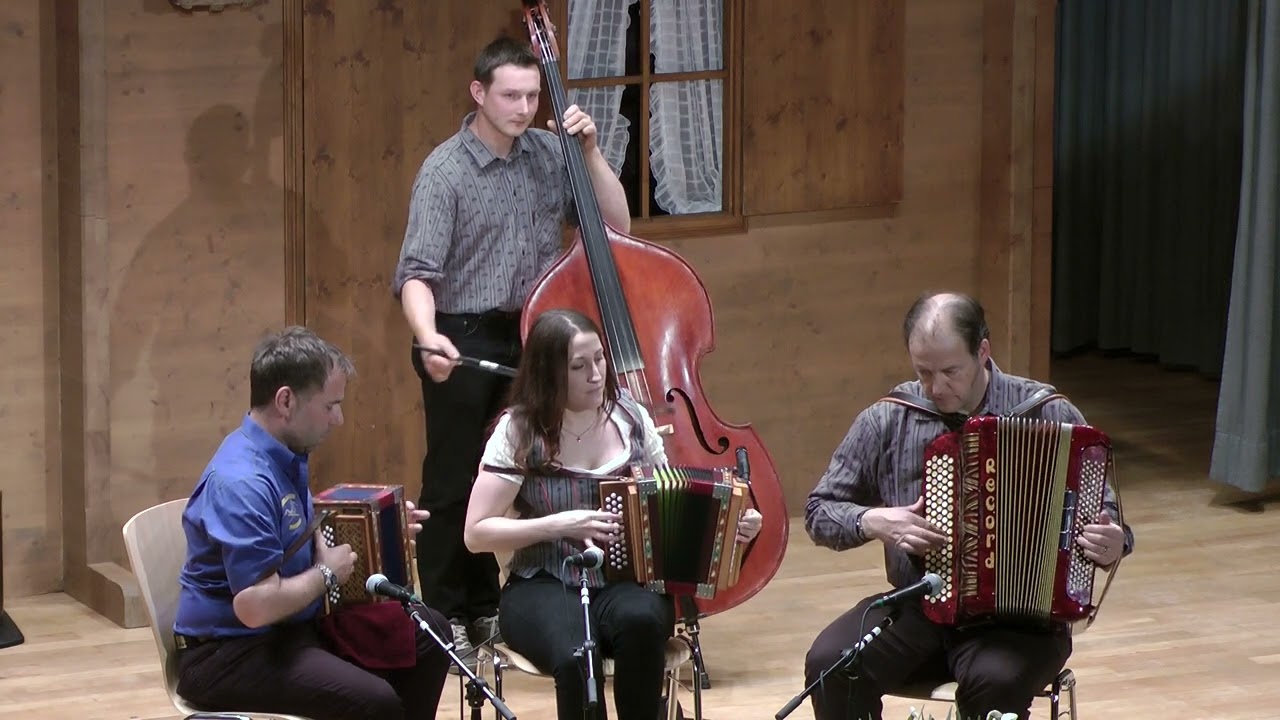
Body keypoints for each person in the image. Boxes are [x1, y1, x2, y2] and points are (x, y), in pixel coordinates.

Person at [392, 35, 632, 668]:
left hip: (538, 333)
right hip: (464, 333)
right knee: (454, 478)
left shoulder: (552, 152)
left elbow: (617, 227)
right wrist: (427, 336)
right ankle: (447, 615)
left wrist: (591, 151)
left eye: (533, 95)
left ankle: (500, 607)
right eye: (511, 95)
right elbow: (416, 272)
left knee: (523, 471)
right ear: (479, 93)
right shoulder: (445, 170)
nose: (526, 108)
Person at [803, 292, 1134, 720]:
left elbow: (1110, 523)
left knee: (993, 684)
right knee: (830, 664)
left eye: (950, 371)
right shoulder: (887, 419)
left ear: (983, 351)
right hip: (920, 609)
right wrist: (873, 520)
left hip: (1023, 625)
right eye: (923, 372)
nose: (935, 387)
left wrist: (1113, 543)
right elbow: (818, 511)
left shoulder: (1050, 413)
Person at [463, 309, 763, 720]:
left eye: (600, 359)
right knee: (574, 656)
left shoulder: (631, 419)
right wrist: (559, 524)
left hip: (627, 580)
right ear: (549, 373)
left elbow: (670, 507)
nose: (596, 374)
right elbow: (476, 534)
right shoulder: (519, 431)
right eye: (578, 366)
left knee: (641, 622)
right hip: (543, 583)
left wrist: (732, 530)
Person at [173, 326, 450, 720]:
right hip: (227, 653)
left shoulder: (282, 451)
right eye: (330, 405)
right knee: (375, 702)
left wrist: (378, 530)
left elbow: (296, 531)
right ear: (285, 400)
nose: (339, 419)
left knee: (429, 633)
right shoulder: (242, 481)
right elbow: (254, 605)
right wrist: (326, 574)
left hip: (289, 628)